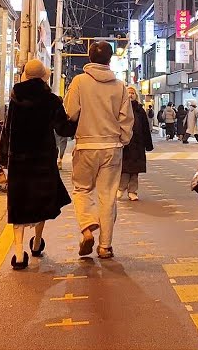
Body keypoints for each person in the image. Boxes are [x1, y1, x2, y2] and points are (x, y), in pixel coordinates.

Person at [0, 59, 72, 270]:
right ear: (43, 77)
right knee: (42, 202)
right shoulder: (52, 100)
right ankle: (37, 242)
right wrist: (76, 119)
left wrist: (3, 159)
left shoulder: (15, 98)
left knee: (18, 204)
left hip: (19, 160)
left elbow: (7, 130)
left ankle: (19, 253)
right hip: (43, 160)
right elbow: (64, 129)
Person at [65, 41, 134, 259]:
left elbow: (71, 112)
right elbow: (126, 119)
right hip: (112, 146)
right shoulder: (120, 85)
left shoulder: (79, 82)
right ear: (110, 59)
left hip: (86, 144)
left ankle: (87, 228)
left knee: (82, 189)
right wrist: (121, 140)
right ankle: (105, 246)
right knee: (108, 196)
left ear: (89, 57)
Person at [120, 86, 153, 201]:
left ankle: (132, 191)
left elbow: (145, 128)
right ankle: (121, 188)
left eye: (133, 93)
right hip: (125, 144)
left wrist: (148, 145)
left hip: (138, 144)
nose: (131, 95)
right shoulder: (121, 108)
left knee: (135, 171)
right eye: (128, 93)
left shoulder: (140, 110)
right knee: (124, 169)